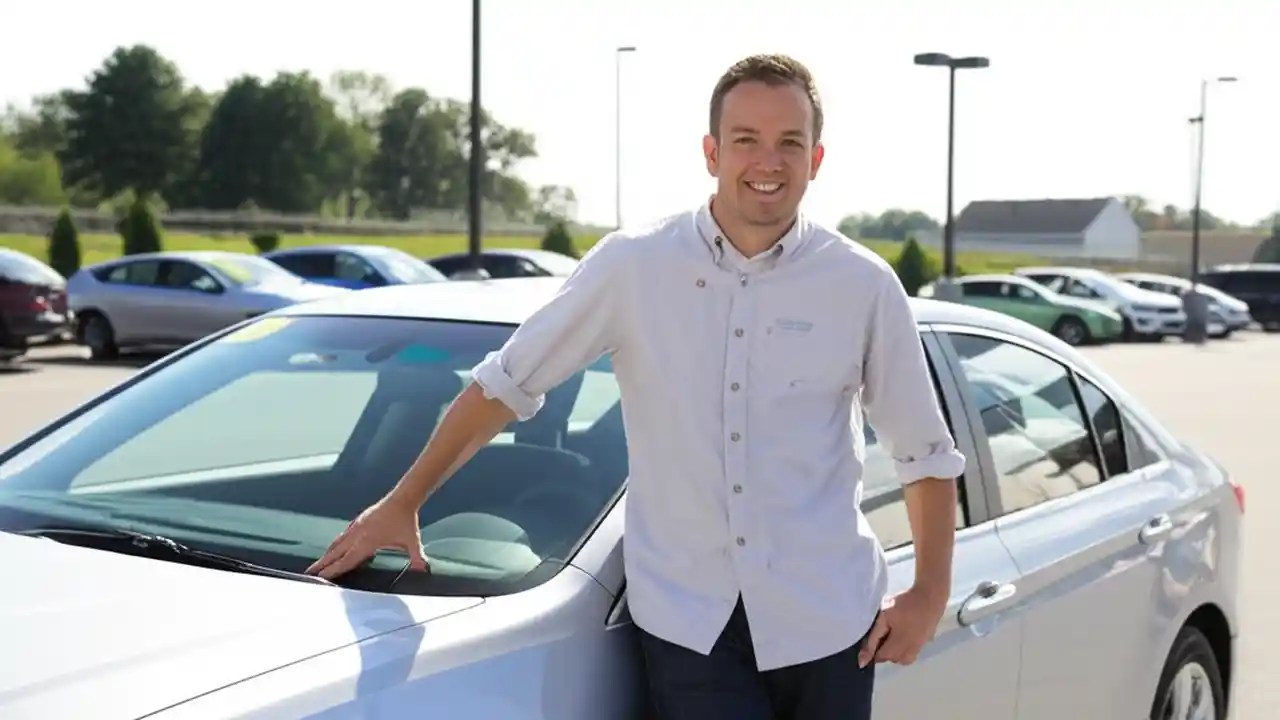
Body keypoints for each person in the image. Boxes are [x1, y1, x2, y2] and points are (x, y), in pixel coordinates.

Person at [306, 53, 966, 720]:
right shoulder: (633, 267)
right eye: (746, 140)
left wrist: (929, 594)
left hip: (829, 628)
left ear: (816, 159)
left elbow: (925, 453)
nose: (768, 161)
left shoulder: (862, 286)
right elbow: (505, 384)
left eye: (788, 142)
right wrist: (404, 499)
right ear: (711, 152)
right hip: (690, 632)